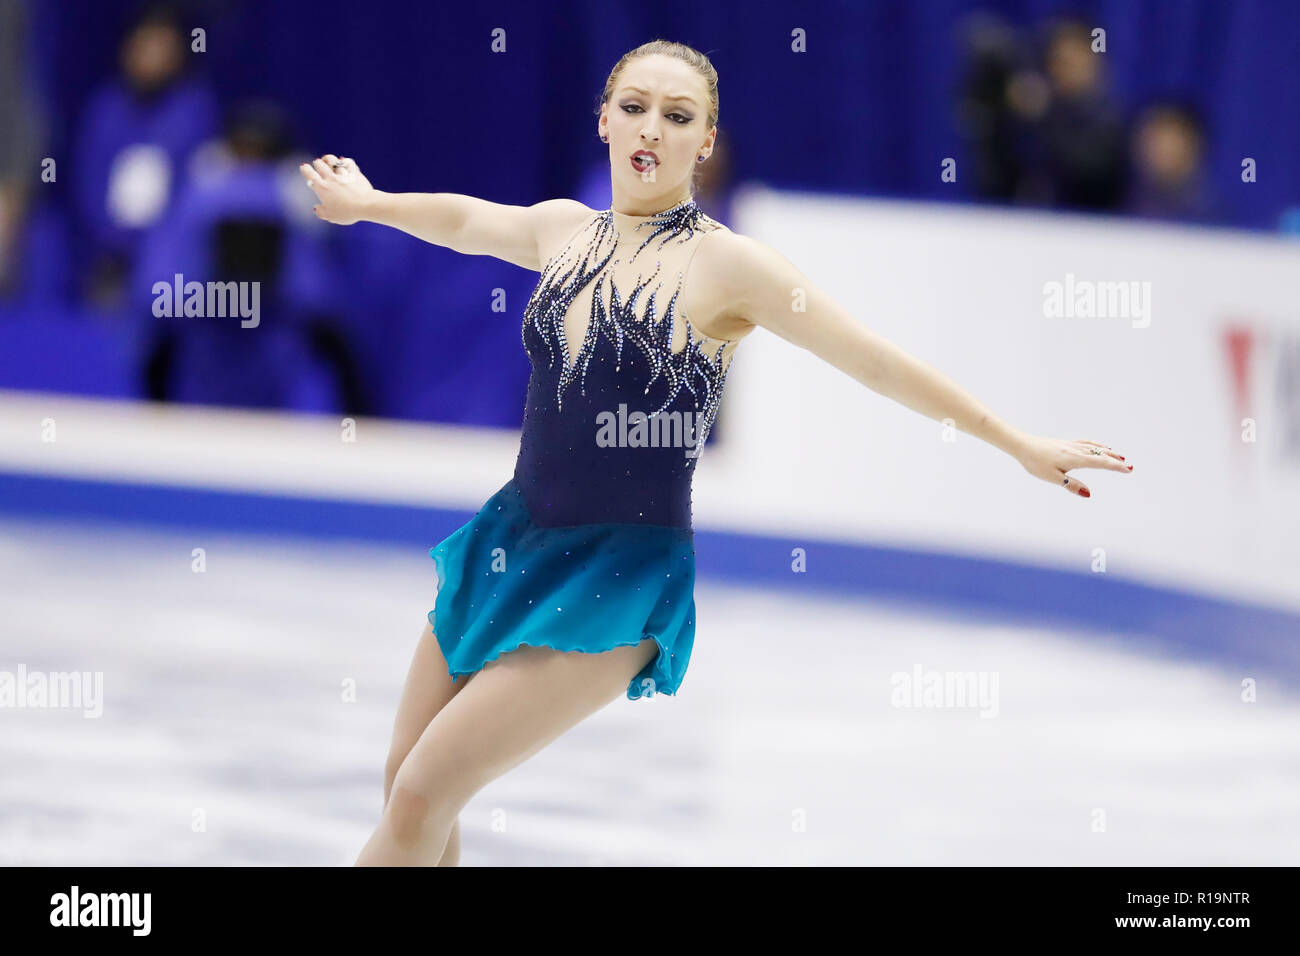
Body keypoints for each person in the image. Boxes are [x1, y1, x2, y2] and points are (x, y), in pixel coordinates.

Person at [299, 39, 1133, 867]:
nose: (651, 129)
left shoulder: (729, 264)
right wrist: (371, 202)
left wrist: (1014, 440)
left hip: (617, 573)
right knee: (407, 789)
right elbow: (466, 221)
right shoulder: (563, 230)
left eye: (678, 115)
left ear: (707, 141)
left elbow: (872, 357)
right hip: (509, 539)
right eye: (634, 107)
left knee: (420, 795)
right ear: (603, 120)